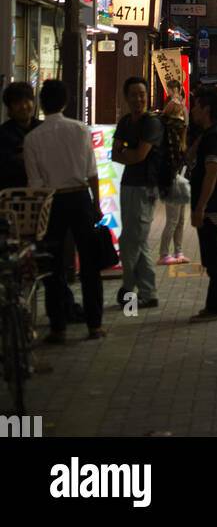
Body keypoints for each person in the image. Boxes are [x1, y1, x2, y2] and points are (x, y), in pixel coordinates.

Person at [23, 78, 106, 342]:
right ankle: (95, 325)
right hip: (80, 198)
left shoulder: (32, 138)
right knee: (90, 265)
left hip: (50, 203)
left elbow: (34, 184)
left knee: (53, 266)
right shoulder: (81, 130)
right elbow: (92, 173)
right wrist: (96, 204)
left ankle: (58, 328)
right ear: (66, 103)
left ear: (41, 104)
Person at [111, 76, 163, 309]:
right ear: (126, 97)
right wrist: (129, 155)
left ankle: (128, 288)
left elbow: (139, 155)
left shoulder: (151, 123)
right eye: (134, 94)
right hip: (128, 184)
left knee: (132, 239)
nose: (139, 99)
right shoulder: (124, 122)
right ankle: (148, 293)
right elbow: (115, 154)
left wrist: (127, 154)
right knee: (136, 240)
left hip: (146, 187)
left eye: (142, 94)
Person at [188, 86, 217, 322]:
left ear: (206, 109)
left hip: (212, 206)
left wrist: (200, 208)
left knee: (214, 257)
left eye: (196, 105)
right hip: (215, 204)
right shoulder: (211, 133)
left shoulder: (215, 136)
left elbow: (211, 173)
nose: (192, 109)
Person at [157, 81, 190, 265]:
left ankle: (178, 251)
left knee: (180, 218)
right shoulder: (170, 139)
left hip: (180, 175)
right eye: (178, 114)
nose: (182, 117)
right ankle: (164, 253)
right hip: (172, 177)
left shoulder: (177, 138)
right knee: (173, 218)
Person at [0, 81, 42, 188]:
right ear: (9, 108)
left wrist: (24, 157)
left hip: (43, 194)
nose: (23, 106)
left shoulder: (43, 129)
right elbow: (6, 166)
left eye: (27, 100)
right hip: (12, 195)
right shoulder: (3, 133)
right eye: (17, 103)